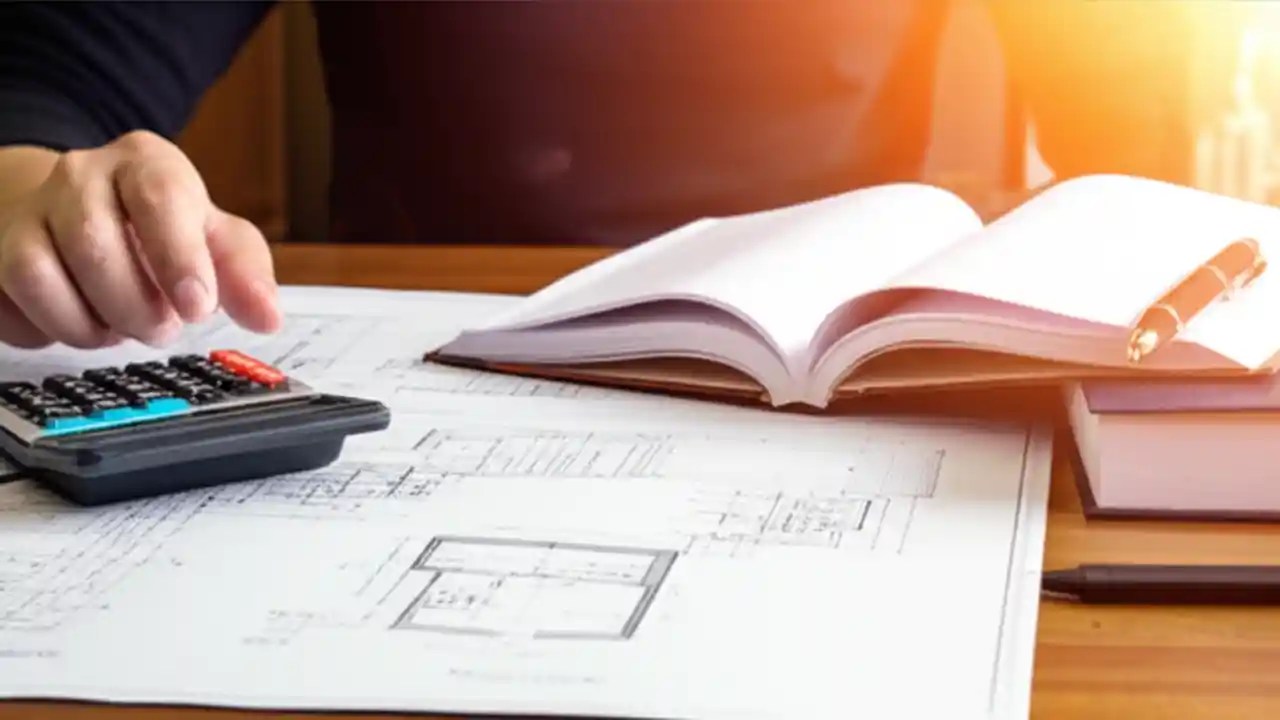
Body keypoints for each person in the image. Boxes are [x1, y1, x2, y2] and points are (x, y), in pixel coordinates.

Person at [0, 1, 1227, 351]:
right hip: (435, 354)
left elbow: (1137, 111)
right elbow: (61, 66)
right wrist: (29, 174)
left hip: (835, 367)